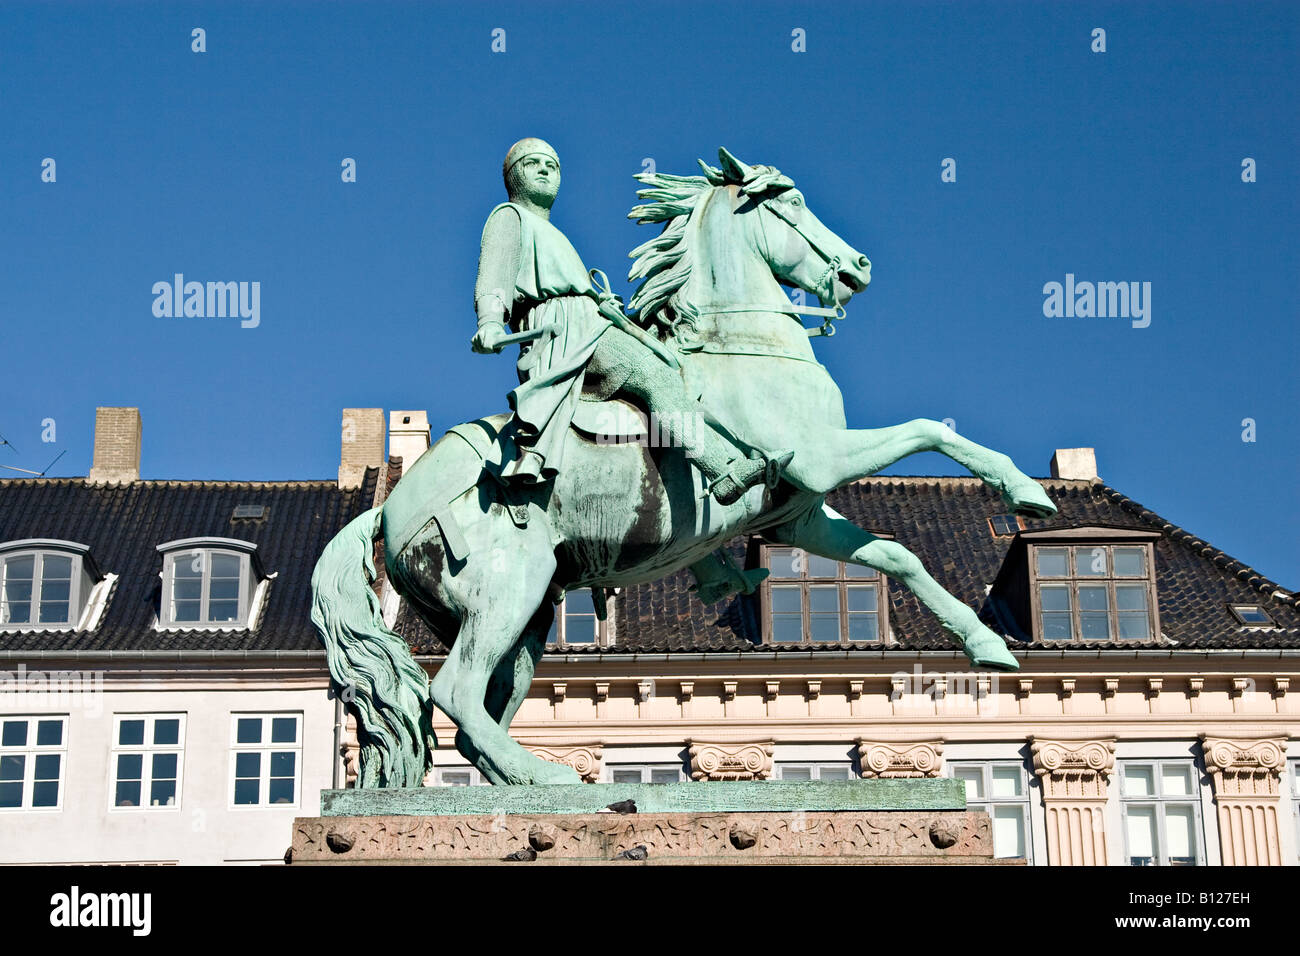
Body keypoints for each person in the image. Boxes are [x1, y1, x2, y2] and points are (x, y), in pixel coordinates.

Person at [472, 137, 791, 506]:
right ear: (514, 177)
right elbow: (493, 277)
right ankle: (723, 469)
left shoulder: (553, 232)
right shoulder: (510, 218)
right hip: (565, 331)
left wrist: (598, 302)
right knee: (655, 375)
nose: (546, 170)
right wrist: (491, 322)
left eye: (553, 165)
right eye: (534, 164)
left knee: (675, 363)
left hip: (591, 321)